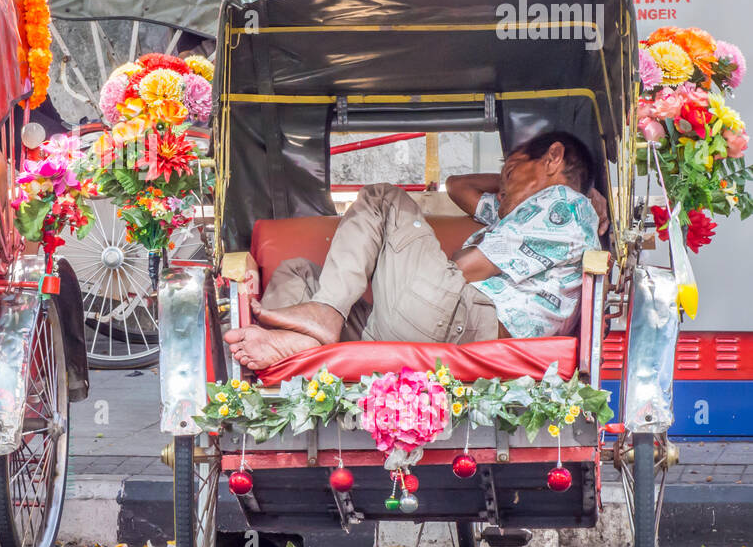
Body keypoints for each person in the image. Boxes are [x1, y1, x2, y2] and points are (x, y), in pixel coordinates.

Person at [224, 131, 608, 372]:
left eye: (507, 174)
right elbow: (457, 185)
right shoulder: (520, 211)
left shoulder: (564, 204)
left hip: (464, 321)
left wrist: (571, 185)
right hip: (426, 322)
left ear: (554, 157)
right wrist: (513, 178)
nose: (501, 192)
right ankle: (305, 340)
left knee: (382, 197)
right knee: (296, 271)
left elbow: (462, 270)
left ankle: (325, 312)